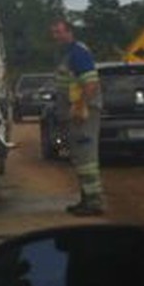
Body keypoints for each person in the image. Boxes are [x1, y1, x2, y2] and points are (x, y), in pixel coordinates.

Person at [50, 19, 104, 216]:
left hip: (83, 113)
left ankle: (94, 201)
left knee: (86, 157)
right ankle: (86, 198)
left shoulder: (78, 53)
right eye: (54, 33)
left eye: (59, 32)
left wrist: (81, 107)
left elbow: (90, 83)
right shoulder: (66, 54)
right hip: (74, 113)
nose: (56, 36)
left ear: (69, 32)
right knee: (80, 158)